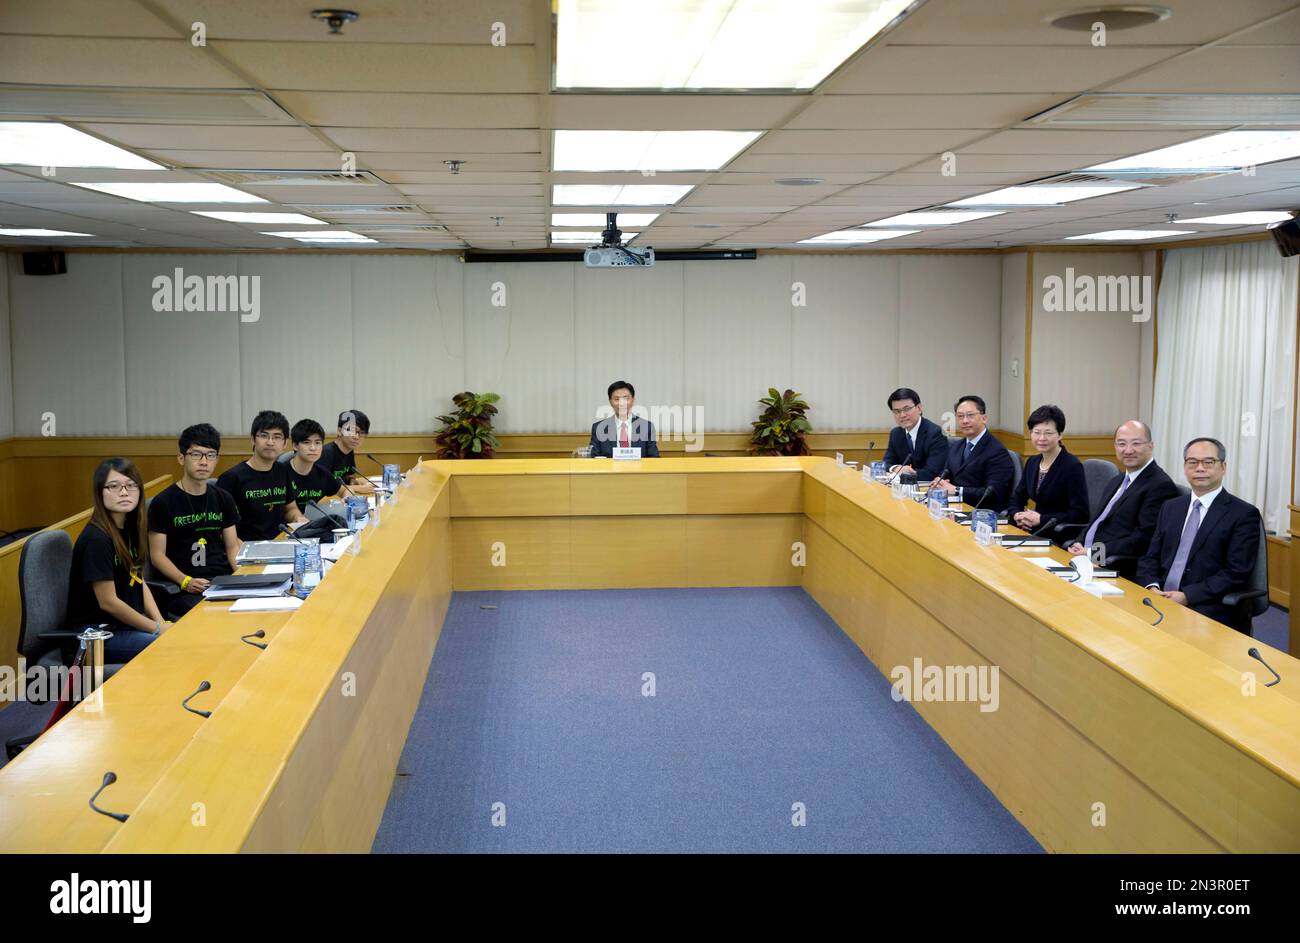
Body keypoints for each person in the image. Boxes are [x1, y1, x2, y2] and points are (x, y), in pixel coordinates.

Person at [1136, 437, 1262, 634]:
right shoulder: (1171, 507)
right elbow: (1150, 556)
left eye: (1209, 462)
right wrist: (1151, 586)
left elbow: (1236, 572)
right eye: (1192, 462)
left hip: (1207, 604)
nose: (1200, 468)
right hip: (1159, 597)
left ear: (1223, 467)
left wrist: (1187, 595)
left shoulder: (1243, 514)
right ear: (1185, 467)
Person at [68, 458, 169, 662]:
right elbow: (109, 602)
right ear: (100, 492)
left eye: (131, 486)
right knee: (169, 648)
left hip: (123, 628)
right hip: (97, 636)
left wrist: (161, 622)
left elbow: (138, 581)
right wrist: (157, 629)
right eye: (114, 486)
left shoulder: (128, 529)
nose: (124, 492)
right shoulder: (96, 539)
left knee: (177, 637)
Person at [147, 423, 241, 619]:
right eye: (196, 454)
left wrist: (242, 577)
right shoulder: (163, 502)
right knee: (216, 617)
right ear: (181, 458)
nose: (204, 461)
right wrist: (185, 581)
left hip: (221, 580)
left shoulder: (223, 498)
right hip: (183, 587)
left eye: (210, 455)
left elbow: (232, 546)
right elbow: (157, 556)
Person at [1066, 420, 1179, 579]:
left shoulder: (1160, 486)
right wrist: (1079, 542)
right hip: (1087, 560)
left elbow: (1143, 540)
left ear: (1150, 446)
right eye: (1121, 444)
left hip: (1114, 566)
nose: (1128, 450)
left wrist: (1093, 552)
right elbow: (1097, 522)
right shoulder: (1117, 480)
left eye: (1136, 444)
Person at [217, 410, 305, 541]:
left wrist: (298, 518)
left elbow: (290, 509)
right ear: (253, 440)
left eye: (277, 437)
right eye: (264, 436)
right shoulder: (231, 478)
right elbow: (220, 528)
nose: (270, 442)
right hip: (247, 549)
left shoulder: (282, 470)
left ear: (285, 443)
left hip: (280, 542)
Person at [1007, 404, 1090, 543]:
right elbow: (1016, 499)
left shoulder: (1071, 466)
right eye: (1036, 432)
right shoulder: (1033, 462)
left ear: (1060, 435)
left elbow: (1080, 514)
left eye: (1048, 433)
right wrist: (1018, 516)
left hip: (1058, 536)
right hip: (1031, 531)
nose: (1042, 438)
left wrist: (1040, 519)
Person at [933, 394, 1014, 511]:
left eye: (970, 415)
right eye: (960, 416)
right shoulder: (956, 446)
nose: (965, 421)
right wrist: (940, 482)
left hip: (981, 513)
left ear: (984, 418)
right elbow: (946, 473)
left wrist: (956, 490)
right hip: (955, 507)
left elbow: (992, 493)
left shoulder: (997, 451)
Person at [881, 387, 947, 481]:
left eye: (907, 409)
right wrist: (896, 468)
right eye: (897, 411)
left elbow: (932, 472)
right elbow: (886, 463)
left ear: (919, 408)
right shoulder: (896, 433)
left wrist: (904, 474)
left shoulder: (934, 433)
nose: (902, 415)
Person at [589, 381, 660, 458]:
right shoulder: (599, 428)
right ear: (610, 402)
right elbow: (594, 458)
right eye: (617, 399)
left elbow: (654, 458)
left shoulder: (647, 427)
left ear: (632, 400)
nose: (622, 403)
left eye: (626, 398)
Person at [287, 418, 343, 511]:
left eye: (317, 443)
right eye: (306, 442)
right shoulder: (281, 473)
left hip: (313, 522)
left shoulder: (322, 473)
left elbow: (344, 491)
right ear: (295, 445)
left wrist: (347, 498)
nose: (313, 448)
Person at [318, 409, 375, 495]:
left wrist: (352, 481)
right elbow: (324, 487)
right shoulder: (326, 453)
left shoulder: (349, 450)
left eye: (361, 433)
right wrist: (357, 488)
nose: (356, 437)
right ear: (339, 431)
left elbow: (349, 475)